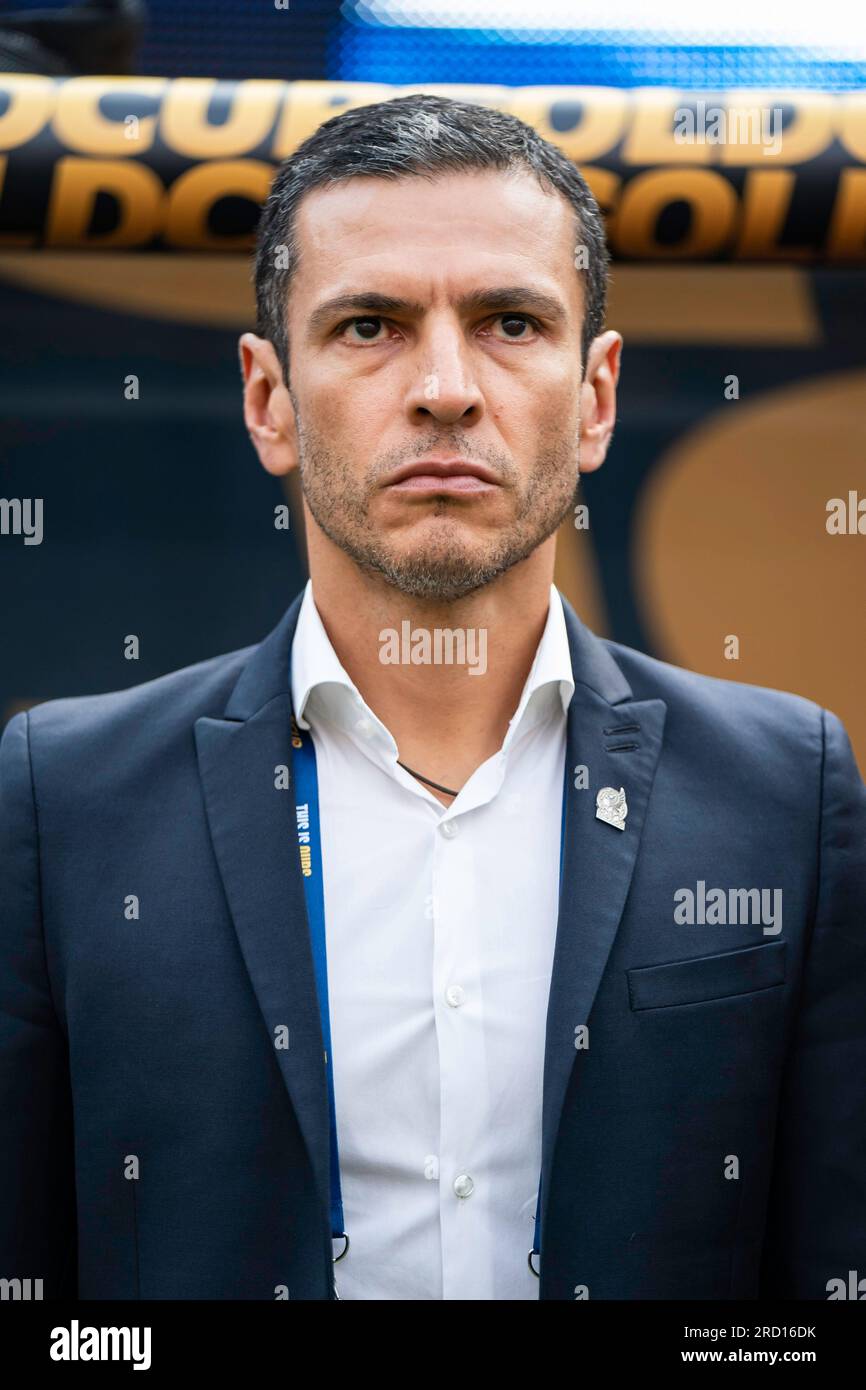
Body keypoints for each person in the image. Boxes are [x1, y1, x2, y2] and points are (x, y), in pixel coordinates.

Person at [1, 93, 864, 1302]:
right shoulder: (65, 797)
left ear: (597, 395)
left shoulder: (783, 786)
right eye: (370, 326)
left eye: (510, 322)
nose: (446, 388)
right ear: (268, 399)